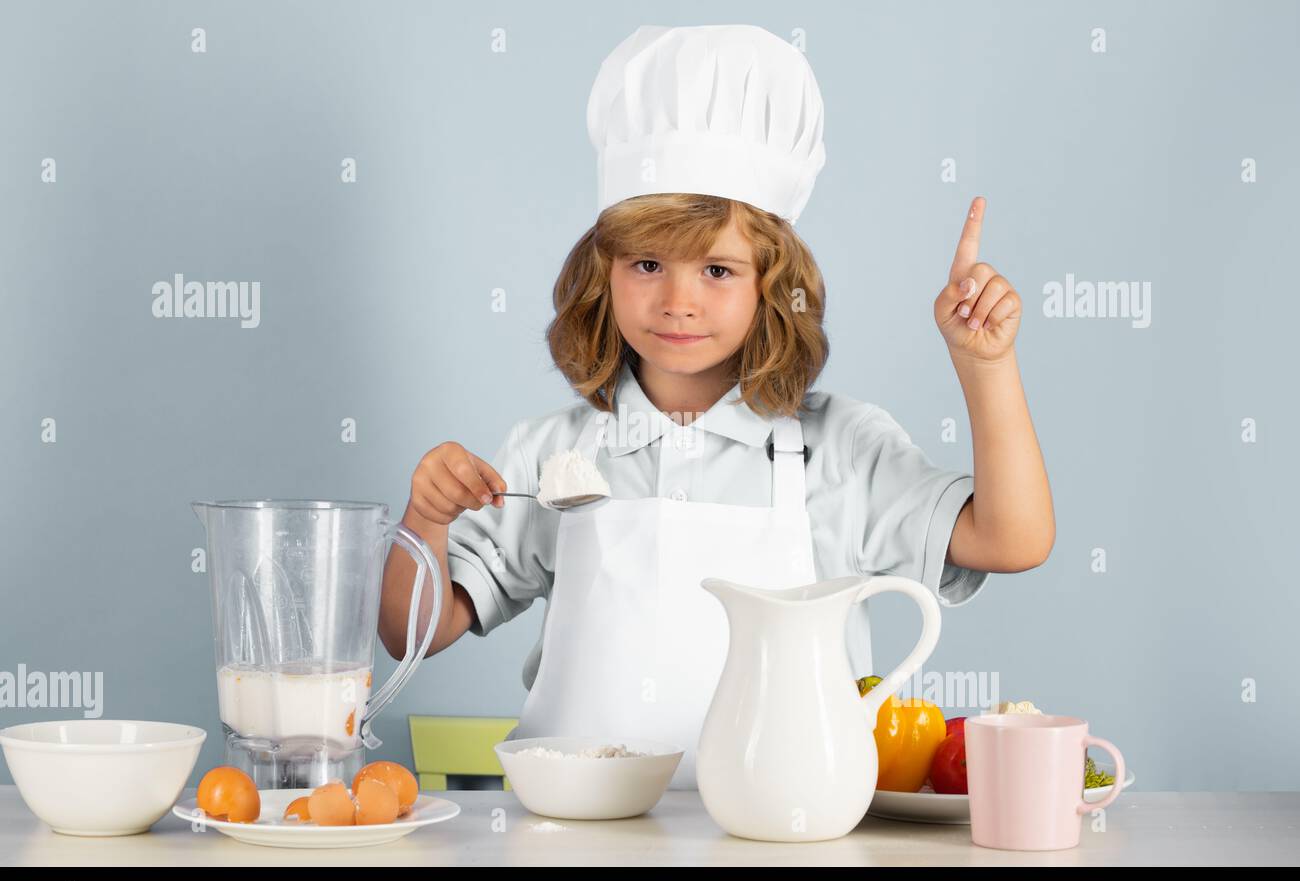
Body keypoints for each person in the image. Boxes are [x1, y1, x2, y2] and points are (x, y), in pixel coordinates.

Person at [379, 24, 1054, 790]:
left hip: (786, 835)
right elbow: (410, 633)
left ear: (776, 282)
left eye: (719, 270)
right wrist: (426, 519)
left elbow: (1014, 538)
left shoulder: (841, 450)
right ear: (602, 273)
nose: (678, 301)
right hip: (583, 838)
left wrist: (986, 365)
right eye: (646, 263)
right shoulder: (552, 454)